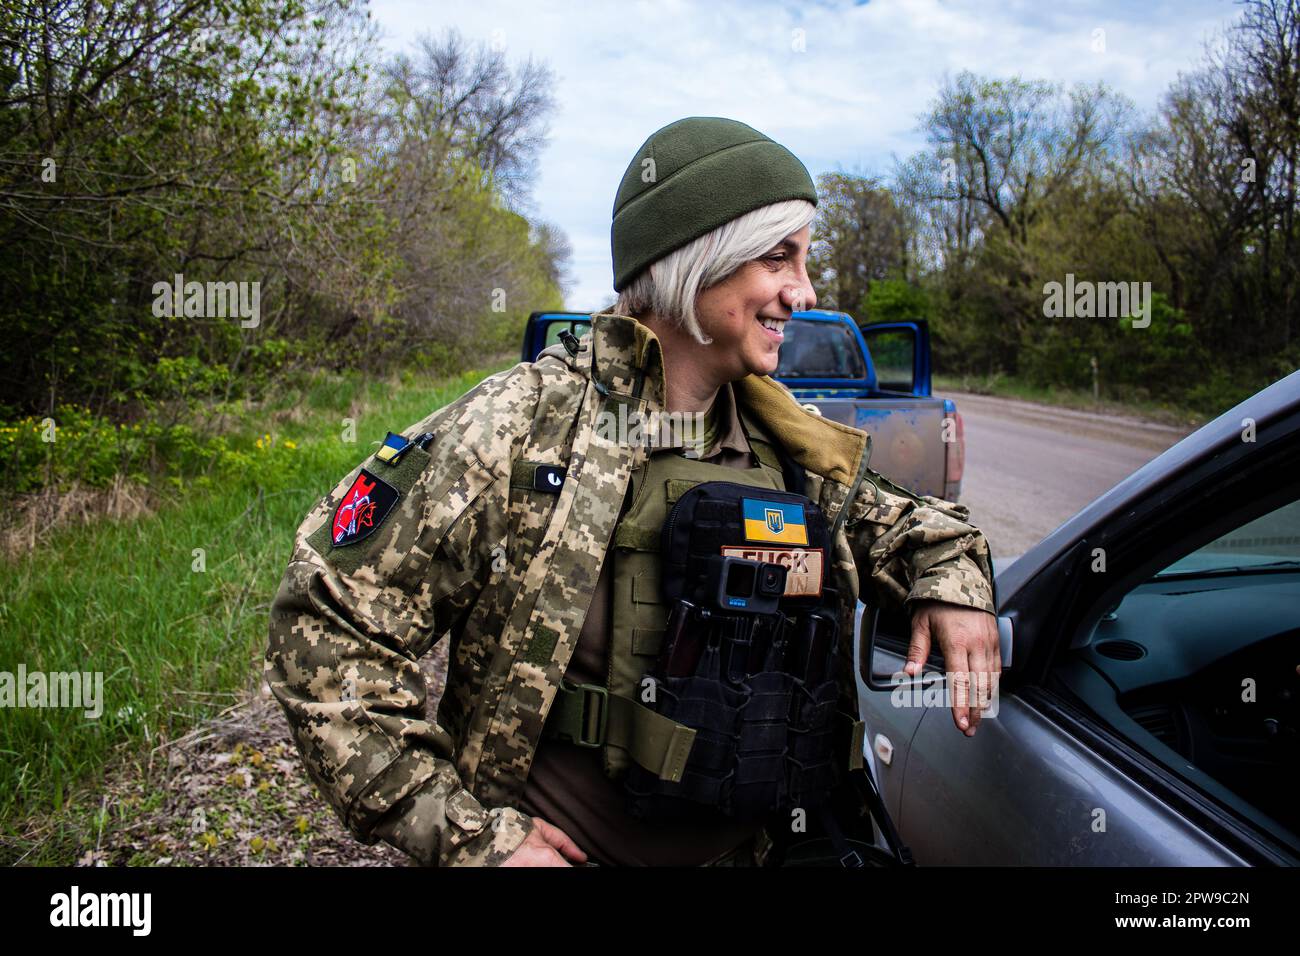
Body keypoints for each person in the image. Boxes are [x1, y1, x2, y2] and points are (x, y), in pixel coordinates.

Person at [264, 116, 999, 868]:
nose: (803, 291)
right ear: (695, 255)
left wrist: (951, 584)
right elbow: (323, 622)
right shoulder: (523, 426)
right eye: (779, 256)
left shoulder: (790, 444)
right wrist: (471, 840)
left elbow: (928, 529)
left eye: (804, 260)